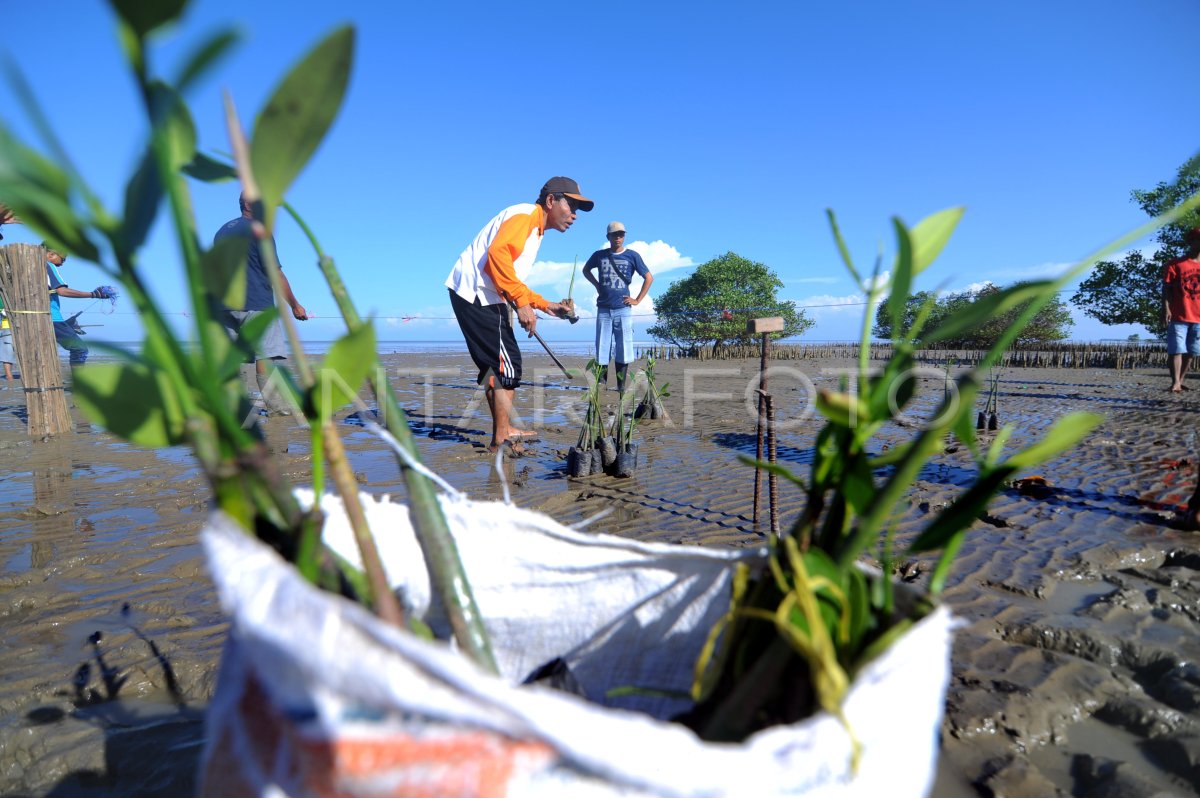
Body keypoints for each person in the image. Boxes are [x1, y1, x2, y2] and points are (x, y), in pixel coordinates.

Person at [445, 176, 591, 452]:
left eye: (577, 210)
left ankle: (503, 431)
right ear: (551, 201)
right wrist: (521, 303)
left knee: (495, 366)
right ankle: (501, 438)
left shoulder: (534, 229)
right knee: (508, 365)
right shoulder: (526, 215)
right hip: (479, 293)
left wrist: (546, 305)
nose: (574, 215)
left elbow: (512, 278)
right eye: (571, 205)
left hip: (478, 292)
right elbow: (497, 255)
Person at [213, 193, 308, 415]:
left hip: (223, 306)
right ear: (248, 205)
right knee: (267, 356)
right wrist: (295, 305)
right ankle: (278, 410)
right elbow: (274, 273)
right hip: (256, 302)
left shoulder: (222, 231)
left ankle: (236, 408)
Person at [582, 221, 653, 394]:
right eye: (615, 234)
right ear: (608, 237)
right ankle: (602, 384)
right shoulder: (599, 255)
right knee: (602, 347)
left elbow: (648, 277)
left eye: (621, 234)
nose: (618, 237)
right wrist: (597, 286)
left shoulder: (632, 256)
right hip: (604, 308)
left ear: (624, 236)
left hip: (623, 309)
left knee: (624, 346)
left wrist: (637, 299)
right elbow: (586, 270)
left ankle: (621, 386)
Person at [44, 245, 116, 368]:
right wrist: (93, 294)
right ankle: (78, 385)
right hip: (51, 318)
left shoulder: (30, 267)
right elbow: (62, 291)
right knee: (80, 349)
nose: (62, 264)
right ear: (51, 255)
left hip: (35, 317)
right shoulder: (48, 265)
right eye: (63, 259)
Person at [1163, 227, 1200, 393]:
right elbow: (1166, 289)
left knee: (1191, 352)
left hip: (1198, 317)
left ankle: (1181, 380)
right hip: (1179, 315)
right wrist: (1166, 309)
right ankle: (1175, 382)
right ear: (1191, 242)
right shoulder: (1175, 264)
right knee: (1176, 349)